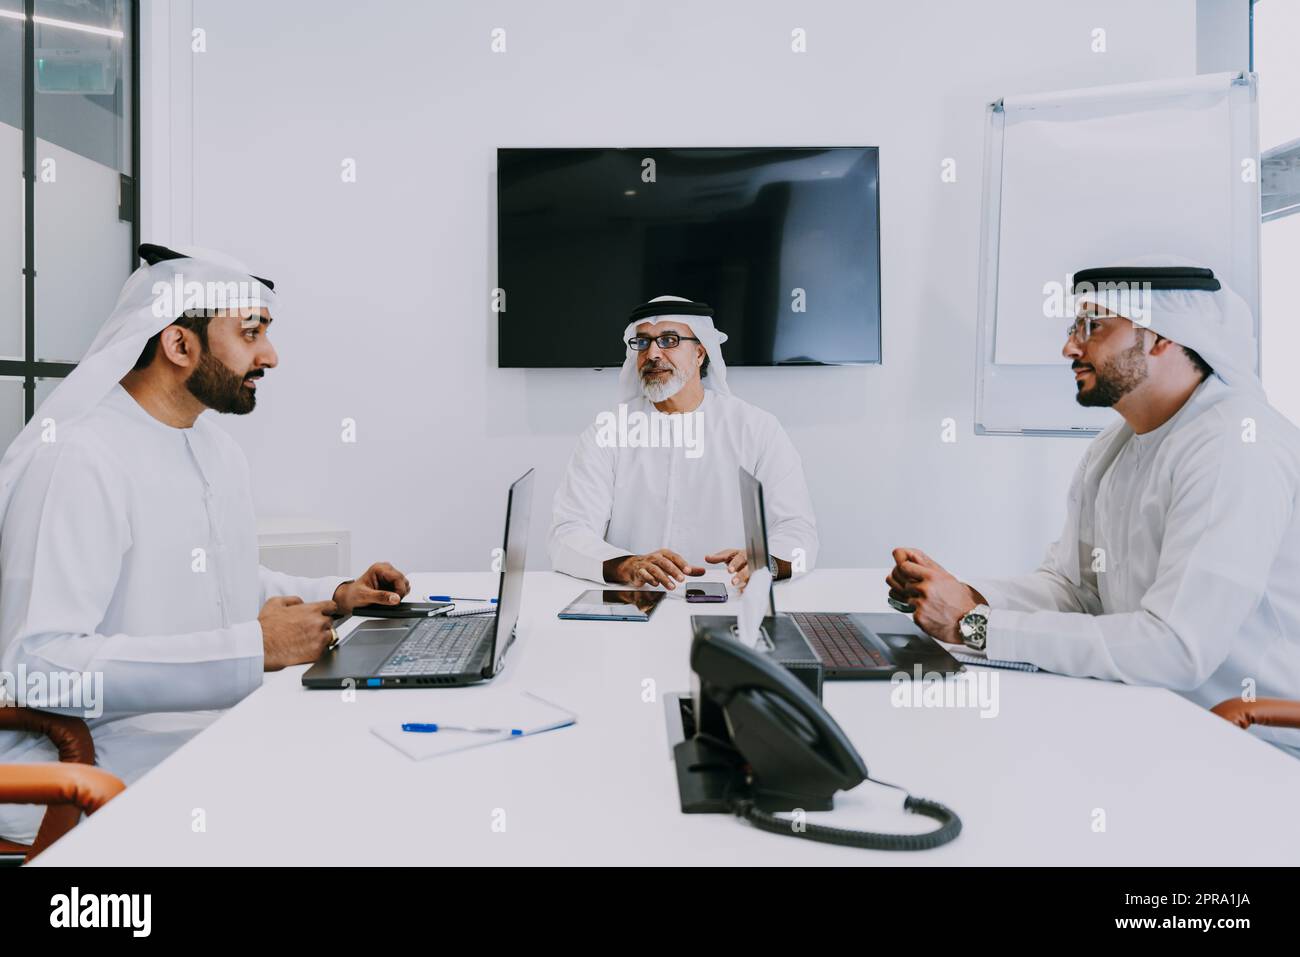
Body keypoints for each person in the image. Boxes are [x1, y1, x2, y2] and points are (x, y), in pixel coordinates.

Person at [0, 244, 411, 844]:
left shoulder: (216, 450)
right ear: (179, 345)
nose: (270, 355)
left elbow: (227, 581)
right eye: (250, 333)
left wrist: (339, 595)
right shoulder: (79, 458)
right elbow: (41, 666)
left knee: (374, 763)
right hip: (101, 755)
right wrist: (253, 649)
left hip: (208, 728)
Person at [887, 257, 1300, 757]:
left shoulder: (1235, 446)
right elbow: (1075, 590)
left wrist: (976, 625)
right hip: (1151, 718)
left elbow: (1176, 649)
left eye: (1092, 326)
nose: (1069, 346)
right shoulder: (1116, 446)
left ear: (1162, 336)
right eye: (1072, 327)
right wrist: (962, 593)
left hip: (1254, 749)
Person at [549, 296, 818, 590]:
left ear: (700, 353)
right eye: (643, 342)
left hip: (731, 599)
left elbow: (799, 533)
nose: (652, 353)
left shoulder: (756, 429)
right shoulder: (607, 432)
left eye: (669, 340)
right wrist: (626, 565)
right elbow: (567, 534)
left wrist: (769, 562)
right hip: (634, 605)